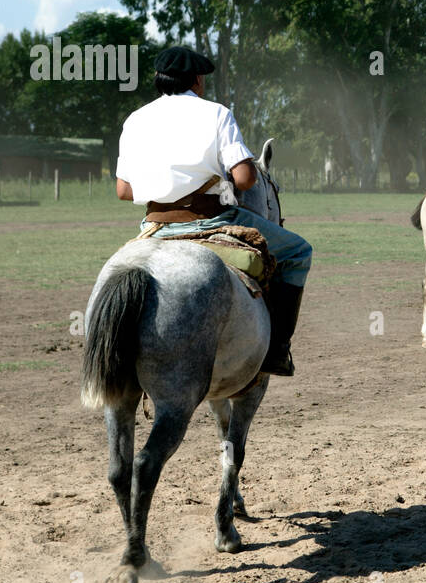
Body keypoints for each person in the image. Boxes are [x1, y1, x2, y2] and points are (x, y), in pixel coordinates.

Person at [113, 45, 311, 376]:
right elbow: (246, 179)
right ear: (198, 81)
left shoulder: (135, 119)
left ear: (160, 81)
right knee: (298, 252)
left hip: (154, 226)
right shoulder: (217, 113)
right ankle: (277, 349)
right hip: (210, 220)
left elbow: (123, 190)